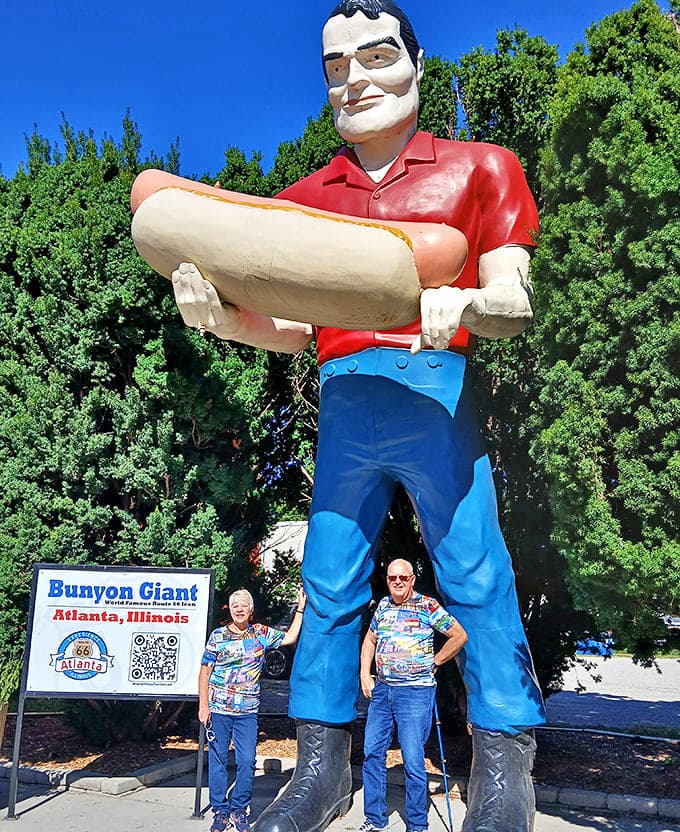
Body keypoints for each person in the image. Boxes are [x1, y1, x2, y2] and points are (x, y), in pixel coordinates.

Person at [172, 2, 546, 830]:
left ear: (416, 61)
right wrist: (223, 320)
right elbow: (295, 330)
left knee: (477, 575)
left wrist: (471, 306)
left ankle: (505, 769)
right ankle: (319, 767)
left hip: (435, 388)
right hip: (345, 398)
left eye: (374, 57)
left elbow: (516, 298)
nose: (354, 79)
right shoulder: (301, 202)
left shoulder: (481, 168)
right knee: (330, 581)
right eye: (335, 67)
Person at [359, 559, 467, 832]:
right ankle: (375, 819)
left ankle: (417, 824)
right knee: (372, 753)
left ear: (412, 580)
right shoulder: (382, 606)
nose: (397, 581)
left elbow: (458, 635)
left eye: (403, 578)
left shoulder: (427, 606)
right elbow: (370, 640)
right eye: (392, 577)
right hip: (383, 690)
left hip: (415, 692)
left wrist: (438, 660)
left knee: (413, 760)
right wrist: (364, 673)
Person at [198, 588, 306, 832]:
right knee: (218, 761)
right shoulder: (218, 636)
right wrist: (203, 706)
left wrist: (300, 609)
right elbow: (204, 672)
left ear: (250, 610)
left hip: (247, 711)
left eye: (244, 604)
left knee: (247, 761)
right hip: (219, 709)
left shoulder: (261, 633)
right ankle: (220, 811)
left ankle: (239, 809)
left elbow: (289, 638)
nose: (239, 608)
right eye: (235, 604)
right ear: (230, 609)